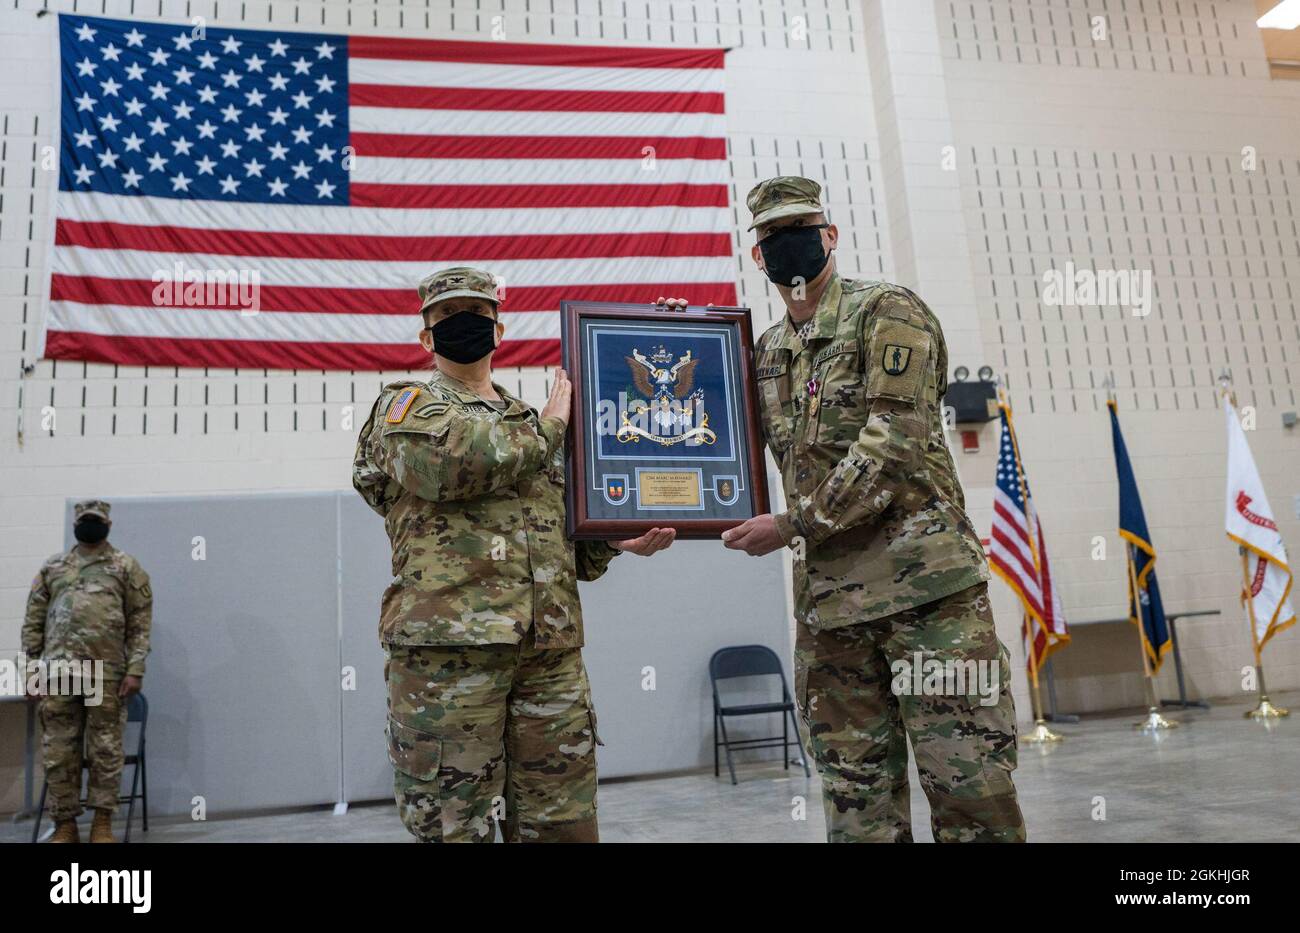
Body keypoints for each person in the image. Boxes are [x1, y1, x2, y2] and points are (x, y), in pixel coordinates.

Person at [663, 176, 1025, 842]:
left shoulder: (887, 312)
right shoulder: (768, 353)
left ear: (830, 235)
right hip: (831, 615)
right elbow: (701, 433)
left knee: (970, 791)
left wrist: (792, 523)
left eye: (800, 229)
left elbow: (894, 443)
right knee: (858, 809)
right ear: (757, 257)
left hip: (930, 603)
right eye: (771, 236)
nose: (786, 245)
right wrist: (670, 340)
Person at [353, 266, 674, 843]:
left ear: (498, 330)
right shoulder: (406, 407)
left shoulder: (529, 420)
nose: (464, 324)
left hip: (548, 657)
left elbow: (562, 551)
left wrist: (614, 538)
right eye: (447, 317)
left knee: (563, 825)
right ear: (425, 337)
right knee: (457, 827)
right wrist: (553, 426)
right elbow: (454, 465)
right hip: (450, 660)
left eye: (476, 314)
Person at [23, 500, 152, 844]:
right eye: (84, 521)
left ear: (108, 525)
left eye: (95, 521)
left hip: (103, 673)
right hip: (59, 674)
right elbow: (34, 621)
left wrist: (135, 668)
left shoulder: (125, 567)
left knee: (104, 750)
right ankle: (65, 826)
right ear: (75, 525)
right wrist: (32, 670)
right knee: (60, 751)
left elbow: (140, 622)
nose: (89, 526)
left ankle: (102, 825)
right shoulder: (53, 567)